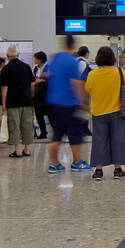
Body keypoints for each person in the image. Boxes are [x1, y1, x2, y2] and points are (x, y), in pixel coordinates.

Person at [45, 36, 91, 173]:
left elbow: (49, 76)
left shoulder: (55, 59)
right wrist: (83, 102)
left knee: (57, 134)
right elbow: (76, 83)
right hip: (69, 103)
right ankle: (77, 163)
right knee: (75, 134)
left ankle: (54, 164)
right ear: (73, 46)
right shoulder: (72, 61)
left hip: (53, 102)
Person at [86, 45, 125, 180]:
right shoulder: (119, 72)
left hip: (98, 112)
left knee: (99, 141)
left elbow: (88, 89)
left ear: (98, 59)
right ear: (112, 58)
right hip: (117, 111)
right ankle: (117, 169)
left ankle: (98, 171)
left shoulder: (93, 74)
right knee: (118, 139)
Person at [0, 45, 36, 159]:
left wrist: (4, 103)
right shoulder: (26, 66)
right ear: (18, 55)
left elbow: (5, 87)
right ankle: (27, 149)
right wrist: (31, 96)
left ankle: (18, 150)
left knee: (15, 126)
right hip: (26, 101)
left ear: (7, 57)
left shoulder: (5, 69)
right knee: (27, 125)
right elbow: (32, 83)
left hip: (13, 102)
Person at [31, 51, 50, 142]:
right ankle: (43, 132)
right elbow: (35, 79)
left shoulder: (48, 67)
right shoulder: (35, 68)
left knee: (50, 113)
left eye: (35, 58)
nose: (34, 60)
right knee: (38, 114)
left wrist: (41, 80)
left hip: (47, 93)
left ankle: (59, 131)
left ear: (40, 59)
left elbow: (49, 78)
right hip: (37, 94)